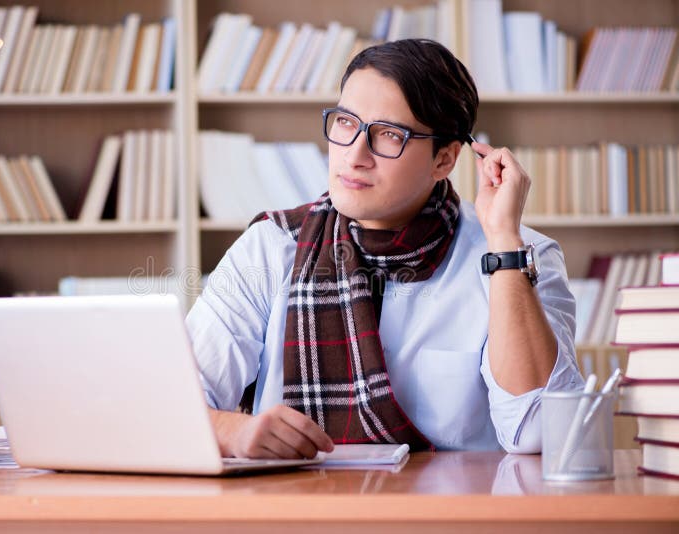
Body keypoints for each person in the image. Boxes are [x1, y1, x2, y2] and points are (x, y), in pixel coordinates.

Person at [186, 38, 583, 459]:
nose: (354, 155)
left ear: (444, 160)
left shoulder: (520, 255)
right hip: (296, 514)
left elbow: (539, 430)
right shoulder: (271, 247)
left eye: (389, 134)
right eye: (345, 123)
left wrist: (503, 243)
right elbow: (168, 400)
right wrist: (232, 431)